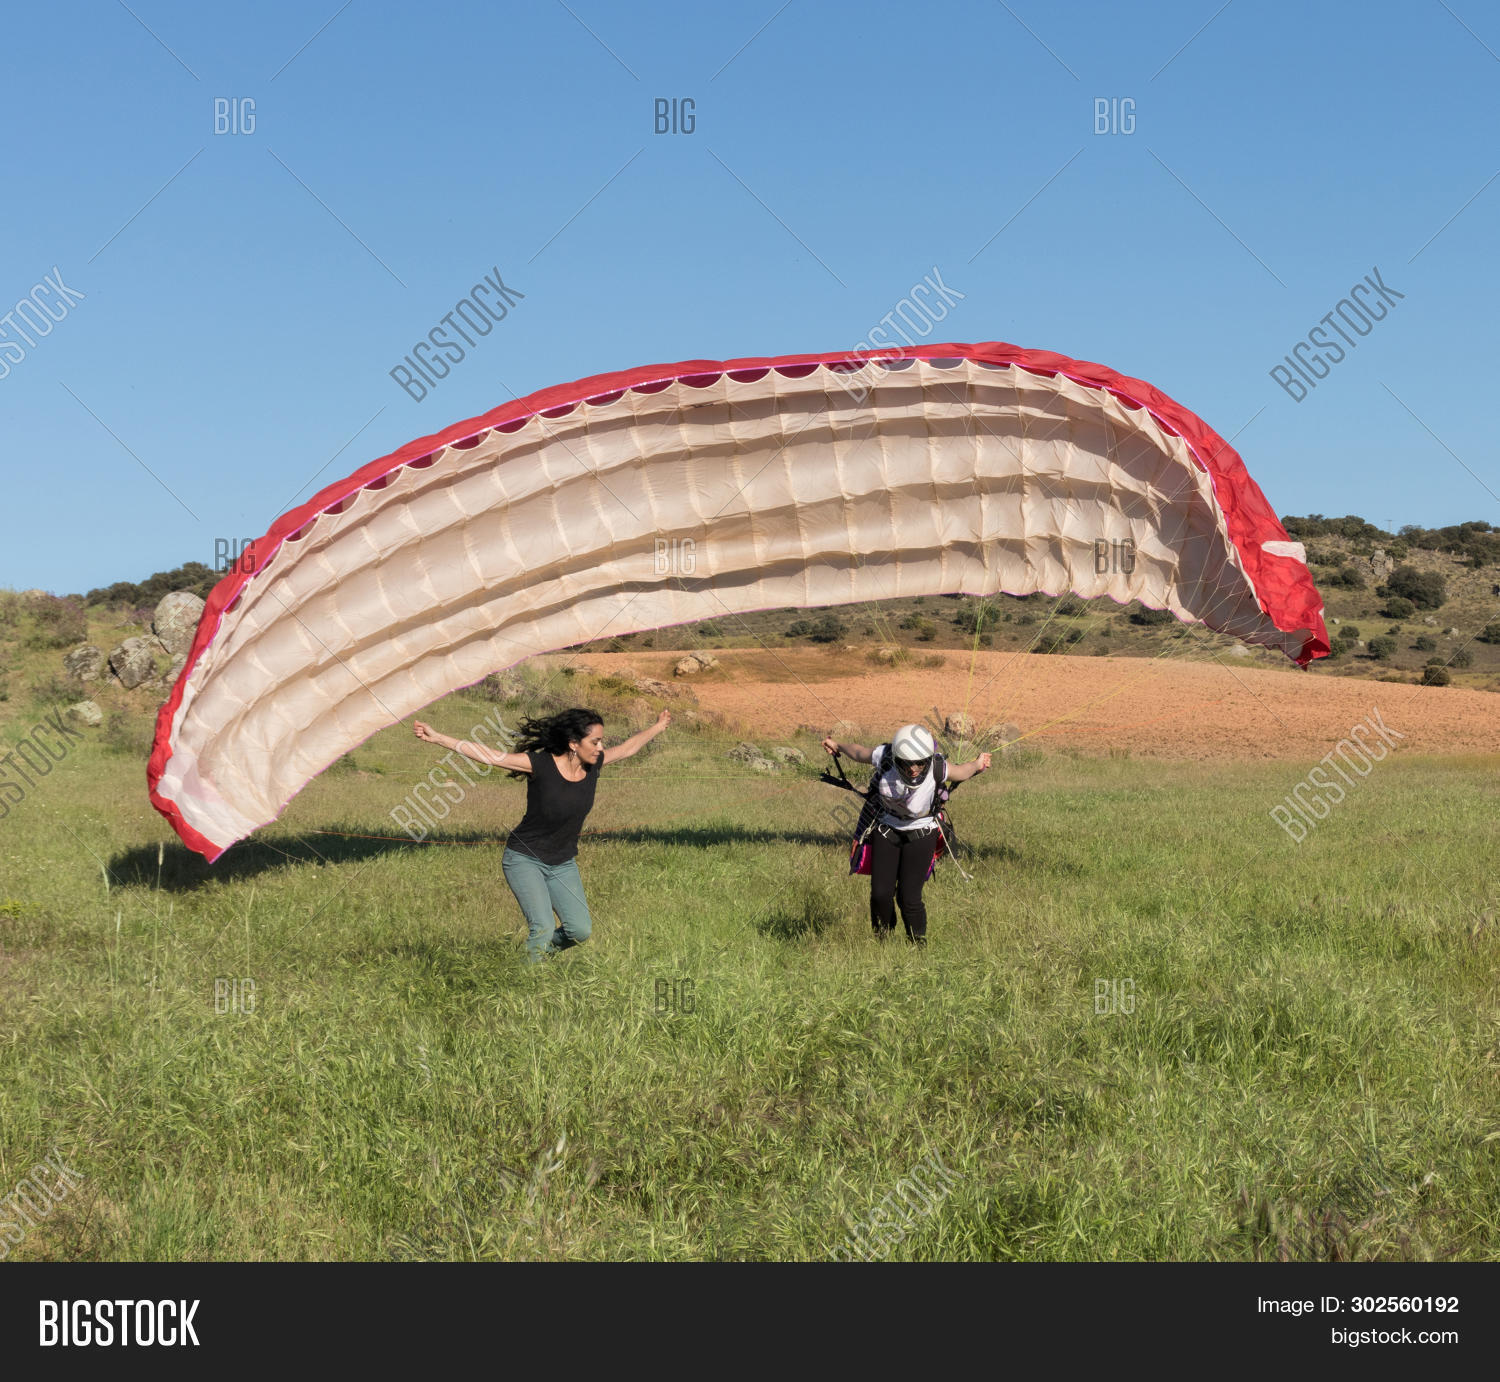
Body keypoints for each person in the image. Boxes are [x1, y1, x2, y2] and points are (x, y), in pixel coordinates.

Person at [413, 706, 671, 962]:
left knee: (580, 930)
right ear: (573, 743)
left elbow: (628, 748)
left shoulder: (594, 765)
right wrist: (439, 738)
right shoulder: (540, 765)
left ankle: (536, 956)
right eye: (595, 741)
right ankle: (526, 983)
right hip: (524, 858)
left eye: (601, 741)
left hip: (562, 863)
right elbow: (492, 757)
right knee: (543, 928)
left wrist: (657, 727)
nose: (600, 747)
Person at [821, 724, 990, 945]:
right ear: (897, 757)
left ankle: (918, 946)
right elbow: (860, 752)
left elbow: (962, 771)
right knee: (880, 894)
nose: (914, 769)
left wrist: (978, 764)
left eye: (920, 763)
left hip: (922, 833)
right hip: (886, 829)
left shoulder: (937, 766)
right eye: (907, 763)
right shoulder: (885, 757)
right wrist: (838, 745)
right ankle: (882, 942)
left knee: (908, 898)